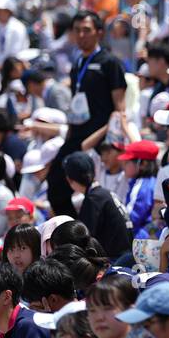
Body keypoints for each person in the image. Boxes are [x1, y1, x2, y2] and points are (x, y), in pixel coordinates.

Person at [48, 11, 127, 218]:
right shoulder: (77, 65)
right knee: (55, 184)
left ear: (99, 33)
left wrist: (110, 134)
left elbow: (120, 107)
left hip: (100, 137)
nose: (81, 35)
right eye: (77, 31)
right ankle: (74, 231)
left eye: (86, 30)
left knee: (92, 190)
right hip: (77, 133)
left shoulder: (109, 62)